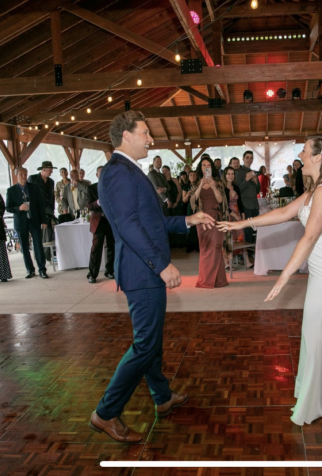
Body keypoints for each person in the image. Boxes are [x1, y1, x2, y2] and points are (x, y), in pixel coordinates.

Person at [217, 134, 322, 426]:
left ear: (318, 157)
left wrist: (284, 277)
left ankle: (315, 402)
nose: (300, 154)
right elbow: (285, 212)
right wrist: (243, 223)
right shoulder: (316, 189)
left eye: (304, 150)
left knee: (314, 332)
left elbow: (310, 237)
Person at [89, 110, 215, 443]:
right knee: (145, 345)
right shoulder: (118, 172)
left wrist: (187, 220)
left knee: (151, 341)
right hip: (142, 270)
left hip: (143, 269)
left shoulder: (128, 170)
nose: (151, 139)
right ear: (126, 135)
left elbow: (151, 222)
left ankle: (161, 396)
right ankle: (106, 413)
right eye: (145, 132)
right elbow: (129, 227)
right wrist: (161, 265)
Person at [6, 166, 51, 279]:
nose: (23, 176)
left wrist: (44, 220)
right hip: (20, 222)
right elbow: (8, 207)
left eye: (25, 174)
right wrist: (18, 208)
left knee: (38, 245)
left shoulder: (34, 187)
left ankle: (42, 270)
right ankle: (30, 270)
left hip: (34, 220)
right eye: (21, 174)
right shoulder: (11, 190)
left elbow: (41, 205)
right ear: (16, 176)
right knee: (24, 247)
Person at [190, 157, 228, 288]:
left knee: (216, 248)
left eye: (208, 165)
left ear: (211, 167)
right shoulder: (196, 183)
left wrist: (213, 186)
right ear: (200, 168)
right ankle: (207, 279)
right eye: (203, 165)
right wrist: (201, 185)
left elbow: (221, 200)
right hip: (201, 219)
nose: (206, 167)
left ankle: (219, 280)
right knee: (205, 248)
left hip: (215, 218)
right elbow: (193, 201)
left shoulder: (218, 182)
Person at [86, 166, 115, 283]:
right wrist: (98, 202)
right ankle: (92, 274)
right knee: (96, 248)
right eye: (101, 173)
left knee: (112, 247)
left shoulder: (112, 187)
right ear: (97, 175)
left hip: (110, 221)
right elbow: (89, 205)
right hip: (98, 221)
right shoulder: (91, 188)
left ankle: (110, 271)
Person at [234, 152, 260, 245]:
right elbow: (237, 190)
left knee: (254, 230)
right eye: (247, 157)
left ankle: (252, 249)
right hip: (246, 205)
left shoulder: (253, 172)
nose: (249, 160)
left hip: (254, 205)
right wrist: (246, 179)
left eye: (251, 158)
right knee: (247, 230)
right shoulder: (239, 172)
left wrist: (256, 182)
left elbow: (258, 190)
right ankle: (246, 251)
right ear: (243, 159)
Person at [28, 161, 56, 239]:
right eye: (50, 170)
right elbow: (28, 194)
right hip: (36, 210)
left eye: (51, 170)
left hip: (48, 210)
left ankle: (48, 247)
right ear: (43, 169)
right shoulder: (33, 179)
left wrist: (52, 208)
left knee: (49, 232)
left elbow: (52, 196)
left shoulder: (51, 181)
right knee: (38, 233)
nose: (51, 172)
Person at [182, 170, 201, 253]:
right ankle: (191, 246)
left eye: (194, 175)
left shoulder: (199, 185)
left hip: (199, 206)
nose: (192, 177)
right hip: (190, 207)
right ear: (188, 177)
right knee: (191, 225)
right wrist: (188, 194)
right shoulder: (186, 186)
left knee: (198, 225)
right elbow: (184, 200)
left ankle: (198, 245)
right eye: (191, 175)